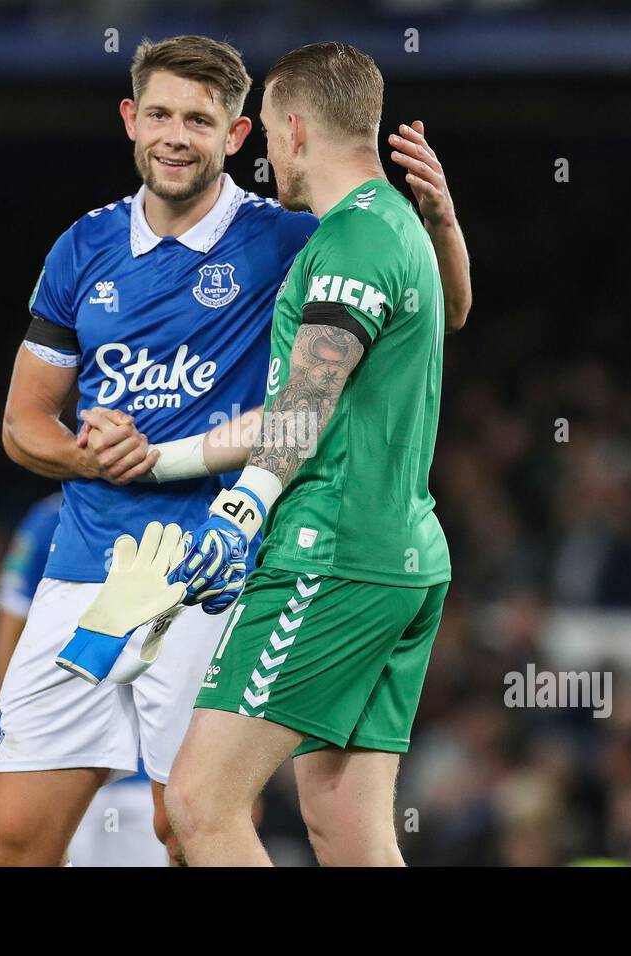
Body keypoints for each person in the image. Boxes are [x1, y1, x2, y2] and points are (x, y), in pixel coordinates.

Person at [0, 34, 469, 866]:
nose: (176, 135)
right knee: (12, 836)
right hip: (93, 562)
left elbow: (390, 339)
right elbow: (23, 426)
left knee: (194, 819)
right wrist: (93, 458)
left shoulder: (294, 236)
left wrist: (224, 499)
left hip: (219, 567)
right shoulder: (82, 247)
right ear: (131, 120)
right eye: (161, 114)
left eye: (201, 120)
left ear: (245, 135)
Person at [164, 42, 454, 866]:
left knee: (198, 804)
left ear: (292, 129)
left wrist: (241, 505)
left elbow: (309, 395)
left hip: (331, 554)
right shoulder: (401, 226)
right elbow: (455, 314)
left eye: (264, 141)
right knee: (347, 834)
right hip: (401, 554)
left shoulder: (353, 239)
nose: (262, 161)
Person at [0, 492, 165, 866]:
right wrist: (11, 743)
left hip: (153, 772)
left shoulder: (206, 503)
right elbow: (9, 630)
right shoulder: (49, 517)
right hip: (70, 754)